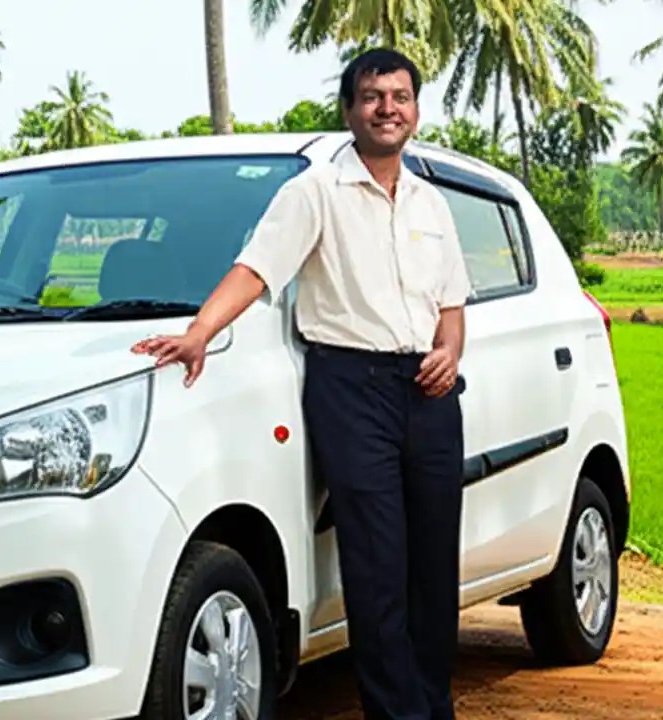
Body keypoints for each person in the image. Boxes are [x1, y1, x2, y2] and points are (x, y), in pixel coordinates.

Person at [132, 48, 472, 720]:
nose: (386, 108)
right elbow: (257, 269)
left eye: (399, 97)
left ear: (416, 110)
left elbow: (452, 302)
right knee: (376, 568)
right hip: (353, 387)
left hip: (431, 393)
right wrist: (199, 332)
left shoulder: (431, 201)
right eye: (372, 96)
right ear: (349, 110)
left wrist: (451, 351)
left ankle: (435, 706)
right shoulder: (313, 192)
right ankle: (396, 712)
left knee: (435, 568)